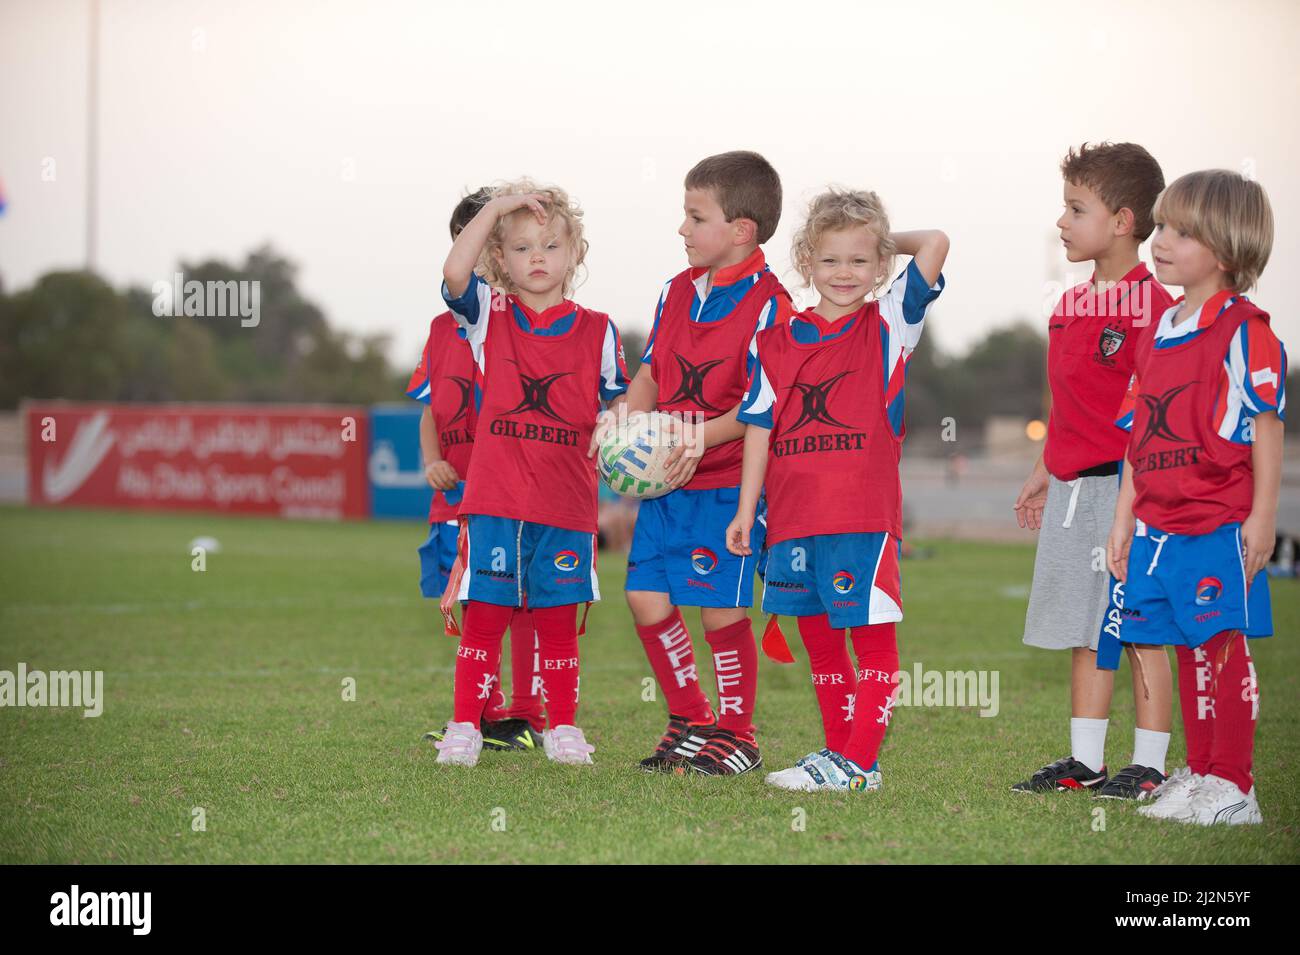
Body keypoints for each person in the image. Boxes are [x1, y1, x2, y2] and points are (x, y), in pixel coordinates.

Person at [727, 187, 948, 792]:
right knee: (822, 645)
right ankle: (838, 755)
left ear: (880, 267)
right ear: (806, 263)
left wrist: (880, 238)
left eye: (860, 260)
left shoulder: (891, 326)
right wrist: (747, 509)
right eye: (829, 260)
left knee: (872, 645)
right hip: (793, 520)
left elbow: (935, 243)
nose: (844, 273)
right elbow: (758, 429)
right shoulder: (775, 339)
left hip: (861, 517)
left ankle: (859, 763)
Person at [609, 151, 794, 776]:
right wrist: (626, 421)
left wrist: (686, 440)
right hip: (667, 486)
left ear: (741, 230)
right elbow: (651, 372)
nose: (682, 230)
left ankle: (738, 733)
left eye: (695, 217)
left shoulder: (771, 305)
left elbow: (758, 410)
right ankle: (689, 718)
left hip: (726, 484)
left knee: (719, 605)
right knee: (644, 597)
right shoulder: (676, 290)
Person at [1108, 169, 1284, 825]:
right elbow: (1136, 438)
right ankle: (1203, 770)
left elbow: (1267, 422)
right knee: (1185, 648)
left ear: (1227, 248)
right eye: (1162, 226)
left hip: (1218, 521)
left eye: (1182, 232)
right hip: (1158, 528)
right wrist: (1124, 520)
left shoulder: (1244, 328)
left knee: (1221, 647)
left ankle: (1235, 785)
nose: (1162, 240)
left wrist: (1261, 519)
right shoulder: (1159, 331)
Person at [433, 180, 629, 767]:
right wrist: (494, 209)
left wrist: (616, 427)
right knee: (486, 617)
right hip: (495, 499)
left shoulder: (599, 328)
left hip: (566, 504)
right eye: (520, 248)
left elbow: (618, 400)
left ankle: (563, 727)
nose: (536, 258)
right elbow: (453, 276)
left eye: (549, 245)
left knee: (557, 623)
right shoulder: (489, 317)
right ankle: (465, 723)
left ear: (575, 255)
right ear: (501, 259)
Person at [1012, 143, 1177, 798]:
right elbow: (1073, 407)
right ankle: (1087, 762)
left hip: (1126, 490)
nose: (1063, 222)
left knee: (1134, 625)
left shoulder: (1153, 306)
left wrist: (1137, 504)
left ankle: (1151, 765)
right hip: (1075, 490)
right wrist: (1044, 467)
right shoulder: (1069, 306)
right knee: (1087, 624)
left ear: (1123, 220)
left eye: (1077, 209)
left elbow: (1155, 414)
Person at [412, 190, 546, 753]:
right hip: (459, 493)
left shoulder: (528, 321)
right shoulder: (447, 329)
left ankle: (524, 715)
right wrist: (432, 460)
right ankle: (485, 714)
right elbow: (430, 407)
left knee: (525, 602)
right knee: (476, 603)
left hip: (516, 492)